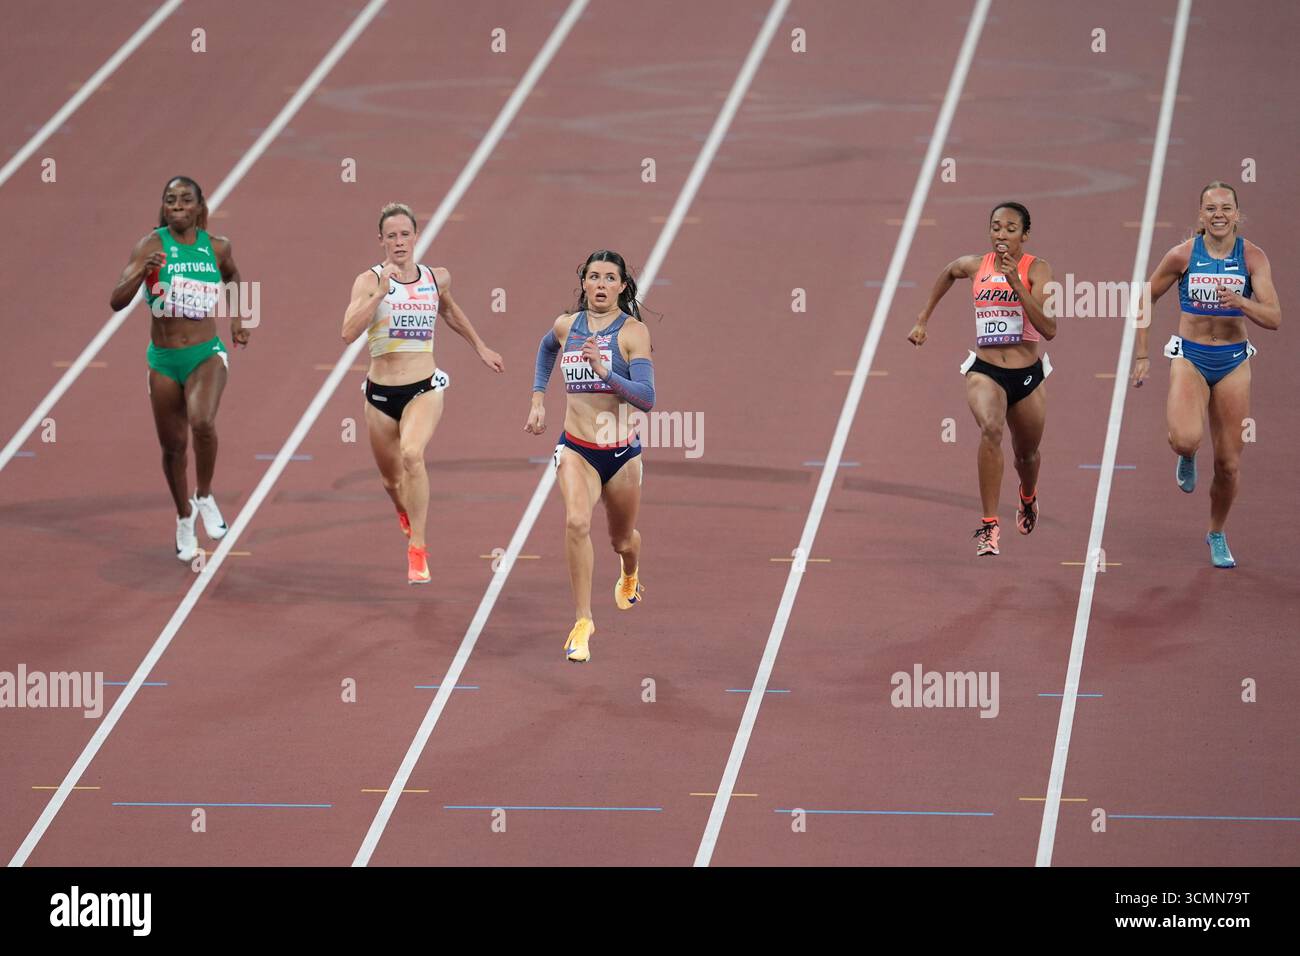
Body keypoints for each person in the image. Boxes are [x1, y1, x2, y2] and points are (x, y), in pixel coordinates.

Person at [342, 202, 504, 584]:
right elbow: (348, 332)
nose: (399, 242)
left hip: (423, 387)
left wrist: (480, 346)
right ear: (380, 240)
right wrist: (379, 296)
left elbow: (449, 311)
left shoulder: (436, 277)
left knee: (412, 454)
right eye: (391, 236)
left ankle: (418, 547)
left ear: (416, 236)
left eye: (405, 234)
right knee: (391, 481)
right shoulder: (368, 281)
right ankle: (403, 508)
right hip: (380, 395)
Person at [1130, 181, 1281, 568]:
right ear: (1201, 215)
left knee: (1229, 465)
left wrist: (1242, 301)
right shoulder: (1183, 256)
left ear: (1236, 214)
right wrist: (1144, 354)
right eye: (1211, 208)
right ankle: (1187, 454)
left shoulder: (1253, 258)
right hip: (1192, 356)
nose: (1218, 215)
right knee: (1184, 438)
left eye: (1226, 208)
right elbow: (1146, 296)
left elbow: (1274, 318)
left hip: (1232, 361)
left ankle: (1216, 532)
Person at [109, 175, 249, 562]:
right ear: (164, 207)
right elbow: (116, 301)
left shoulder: (217, 247)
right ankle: (184, 516)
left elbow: (234, 276)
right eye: (170, 200)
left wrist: (240, 319)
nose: (177, 206)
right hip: (165, 360)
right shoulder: (150, 245)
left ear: (200, 207)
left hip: (206, 353)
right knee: (173, 448)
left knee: (202, 421)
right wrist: (141, 272)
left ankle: (204, 495)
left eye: (185, 200)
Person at [526, 251, 655, 662]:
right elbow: (546, 350)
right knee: (577, 521)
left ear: (621, 286)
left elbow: (647, 399)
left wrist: (606, 372)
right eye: (594, 277)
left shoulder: (633, 333)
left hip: (620, 454)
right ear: (584, 283)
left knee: (622, 540)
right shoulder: (567, 326)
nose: (600, 284)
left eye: (609, 278)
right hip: (577, 448)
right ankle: (583, 620)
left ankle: (630, 572)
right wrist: (538, 399)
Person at [908, 201, 1056, 556]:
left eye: (1009, 228)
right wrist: (923, 318)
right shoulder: (976, 265)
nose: (1001, 234)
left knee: (1027, 455)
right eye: (995, 227)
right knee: (991, 428)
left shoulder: (1038, 269)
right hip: (985, 370)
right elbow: (948, 271)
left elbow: (1049, 328)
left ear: (1024, 234)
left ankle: (1027, 495)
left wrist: (1017, 284)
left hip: (1027, 377)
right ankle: (990, 525)